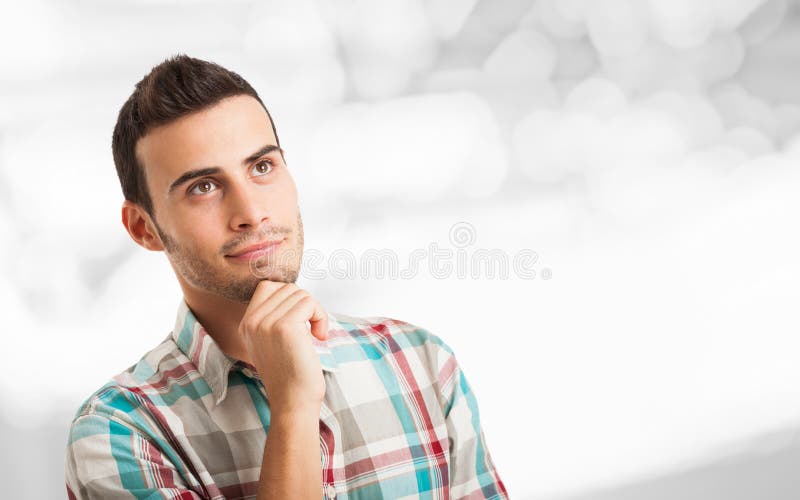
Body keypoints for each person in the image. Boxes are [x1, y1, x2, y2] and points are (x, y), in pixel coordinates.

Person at [64, 54, 508, 500]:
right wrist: (294, 405)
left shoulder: (422, 365)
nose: (252, 213)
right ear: (144, 227)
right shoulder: (120, 434)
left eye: (262, 167)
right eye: (203, 187)